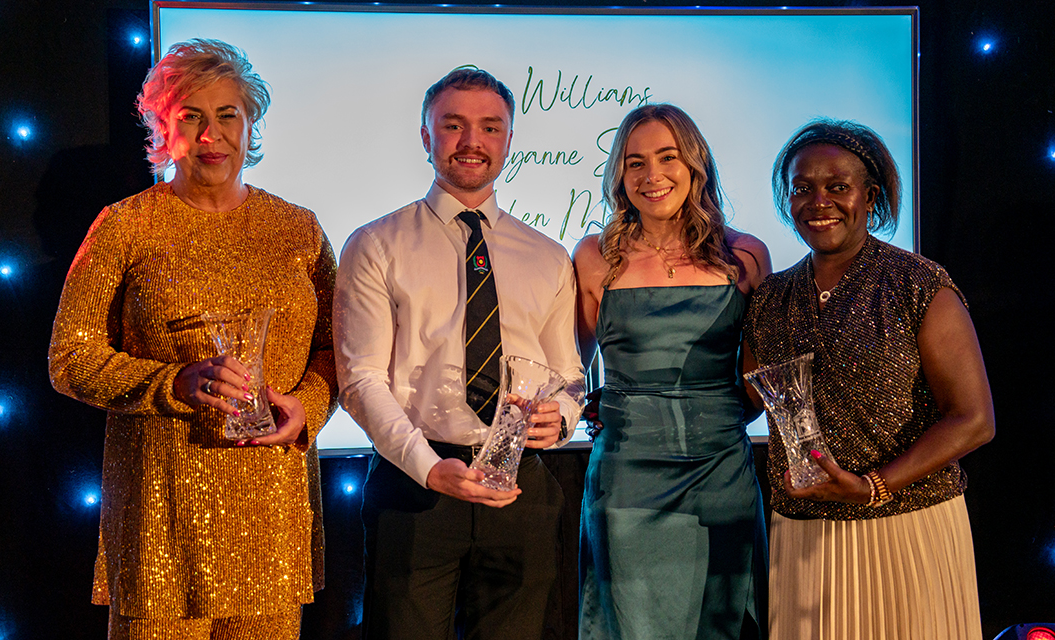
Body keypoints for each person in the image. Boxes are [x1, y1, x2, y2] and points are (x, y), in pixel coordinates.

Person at [48, 39, 337, 638]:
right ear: (163, 126)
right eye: (191, 117)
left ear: (250, 124)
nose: (212, 135)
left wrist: (307, 401)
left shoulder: (298, 228)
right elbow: (69, 359)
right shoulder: (125, 224)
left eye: (228, 115)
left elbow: (340, 351)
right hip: (161, 512)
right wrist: (172, 381)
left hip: (270, 514)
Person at [333, 68, 585, 640]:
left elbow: (569, 373)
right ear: (427, 138)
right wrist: (429, 468)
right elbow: (361, 380)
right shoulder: (376, 244)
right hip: (414, 487)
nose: (473, 141)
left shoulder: (546, 255)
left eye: (490, 127)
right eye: (454, 125)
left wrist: (564, 415)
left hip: (522, 486)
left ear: (507, 140)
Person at [744, 119, 994, 639]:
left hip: (909, 527)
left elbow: (973, 420)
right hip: (805, 536)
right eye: (803, 188)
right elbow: (749, 396)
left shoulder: (918, 284)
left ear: (870, 195)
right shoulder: (771, 299)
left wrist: (871, 487)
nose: (819, 201)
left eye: (838, 187)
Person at [572, 103, 771, 640]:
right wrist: (601, 407)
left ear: (695, 165)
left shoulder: (745, 255)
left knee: (721, 622)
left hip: (721, 472)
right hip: (628, 473)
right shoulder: (595, 255)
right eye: (635, 162)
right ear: (620, 175)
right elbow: (571, 368)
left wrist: (707, 416)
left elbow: (759, 380)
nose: (652, 175)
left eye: (667, 157)